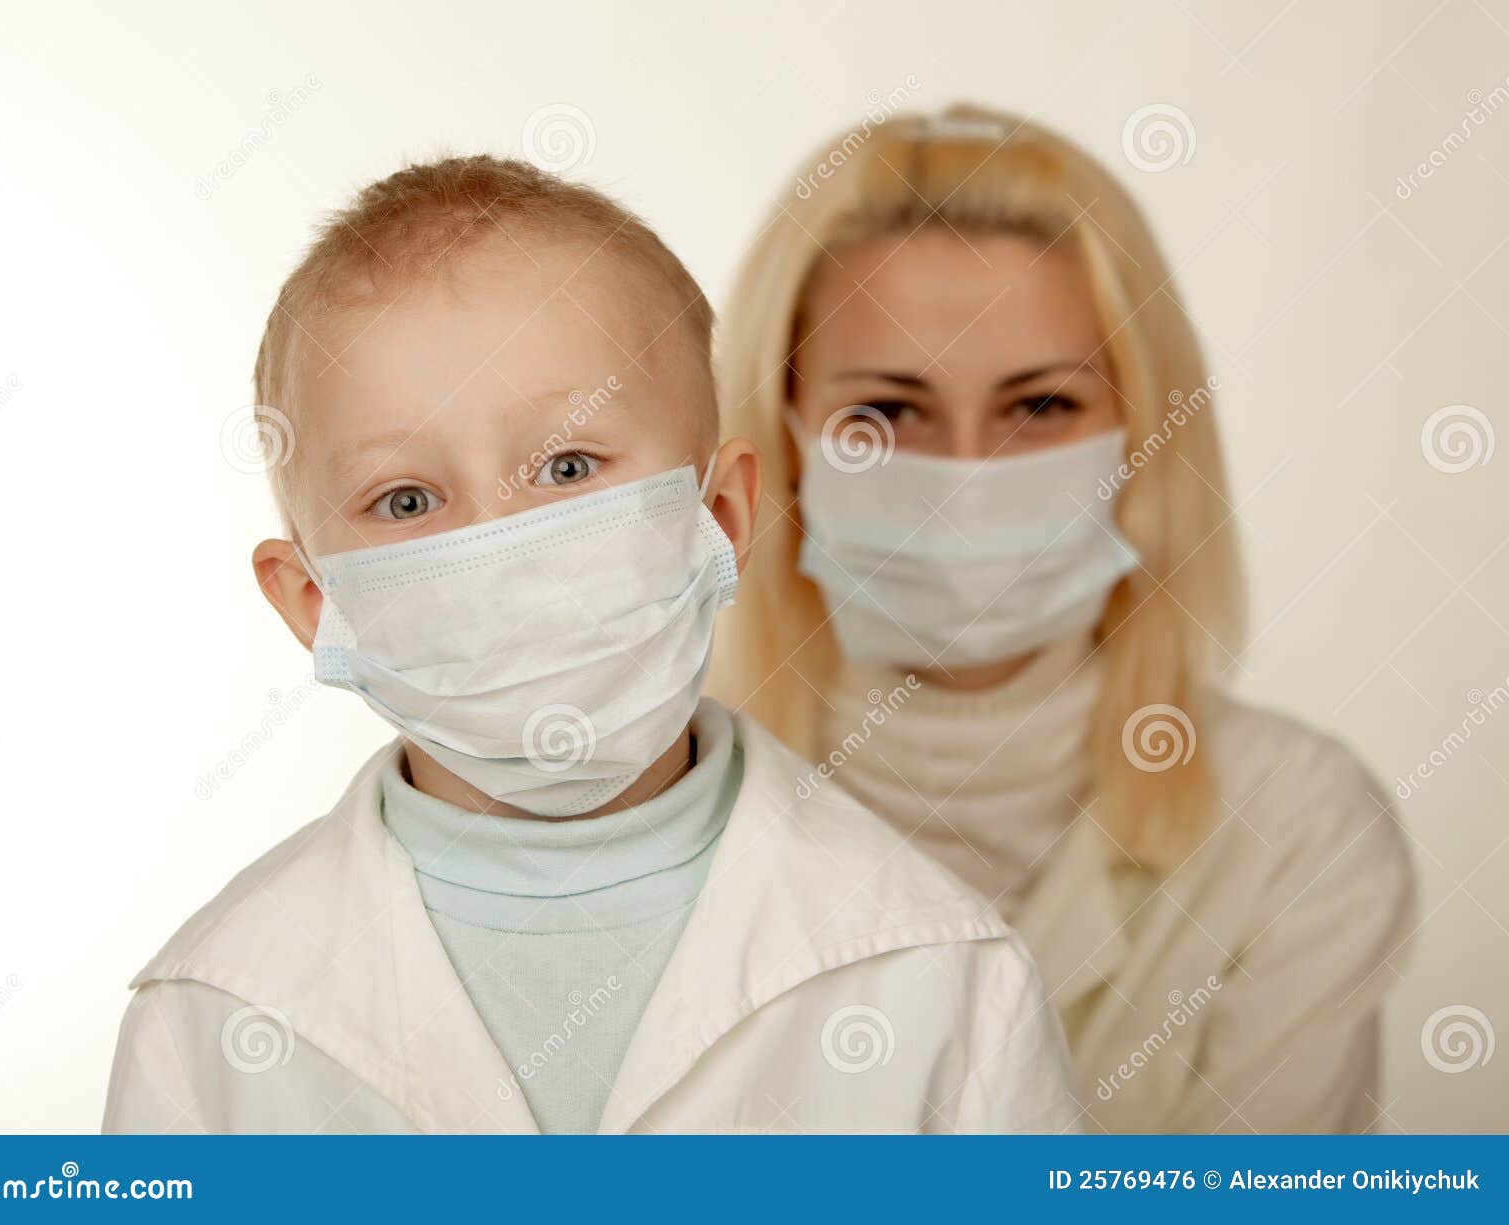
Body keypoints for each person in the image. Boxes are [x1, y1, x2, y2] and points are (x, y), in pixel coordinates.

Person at [101, 154, 1077, 1134]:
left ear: (720, 516)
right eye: (406, 500)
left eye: (567, 466)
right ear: (315, 601)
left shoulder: (946, 969)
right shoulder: (209, 1013)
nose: (502, 551)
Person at [709, 105, 1416, 1132]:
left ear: (1142, 433)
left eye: (1040, 406)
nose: (965, 476)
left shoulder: (1294, 827)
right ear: (779, 442)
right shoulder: (637, 809)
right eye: (887, 413)